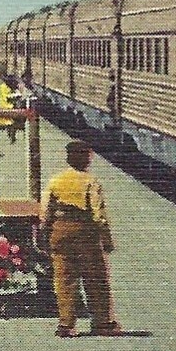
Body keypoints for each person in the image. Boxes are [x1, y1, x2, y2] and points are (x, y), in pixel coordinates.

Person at [40, 140, 122, 337]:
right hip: (85, 234)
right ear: (87, 159)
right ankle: (102, 323)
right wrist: (107, 240)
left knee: (64, 279)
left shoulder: (55, 181)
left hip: (60, 233)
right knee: (95, 278)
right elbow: (99, 216)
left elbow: (45, 213)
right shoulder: (90, 182)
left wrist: (44, 234)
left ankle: (66, 325)